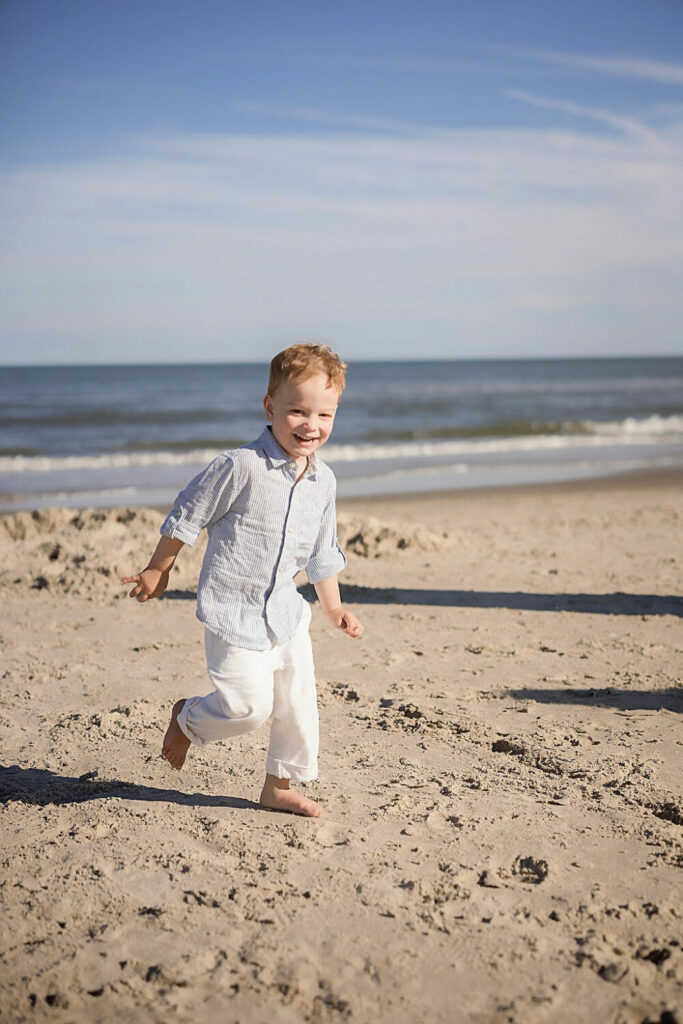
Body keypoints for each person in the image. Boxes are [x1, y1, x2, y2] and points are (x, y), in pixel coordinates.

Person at [120, 344, 363, 818]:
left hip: (287, 615)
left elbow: (322, 551)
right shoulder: (240, 466)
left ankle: (278, 786)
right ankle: (187, 718)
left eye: (324, 414)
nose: (310, 425)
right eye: (297, 411)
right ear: (270, 407)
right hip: (234, 613)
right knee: (246, 707)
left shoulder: (324, 481)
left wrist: (333, 608)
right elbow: (189, 514)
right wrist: (158, 568)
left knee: (297, 705)